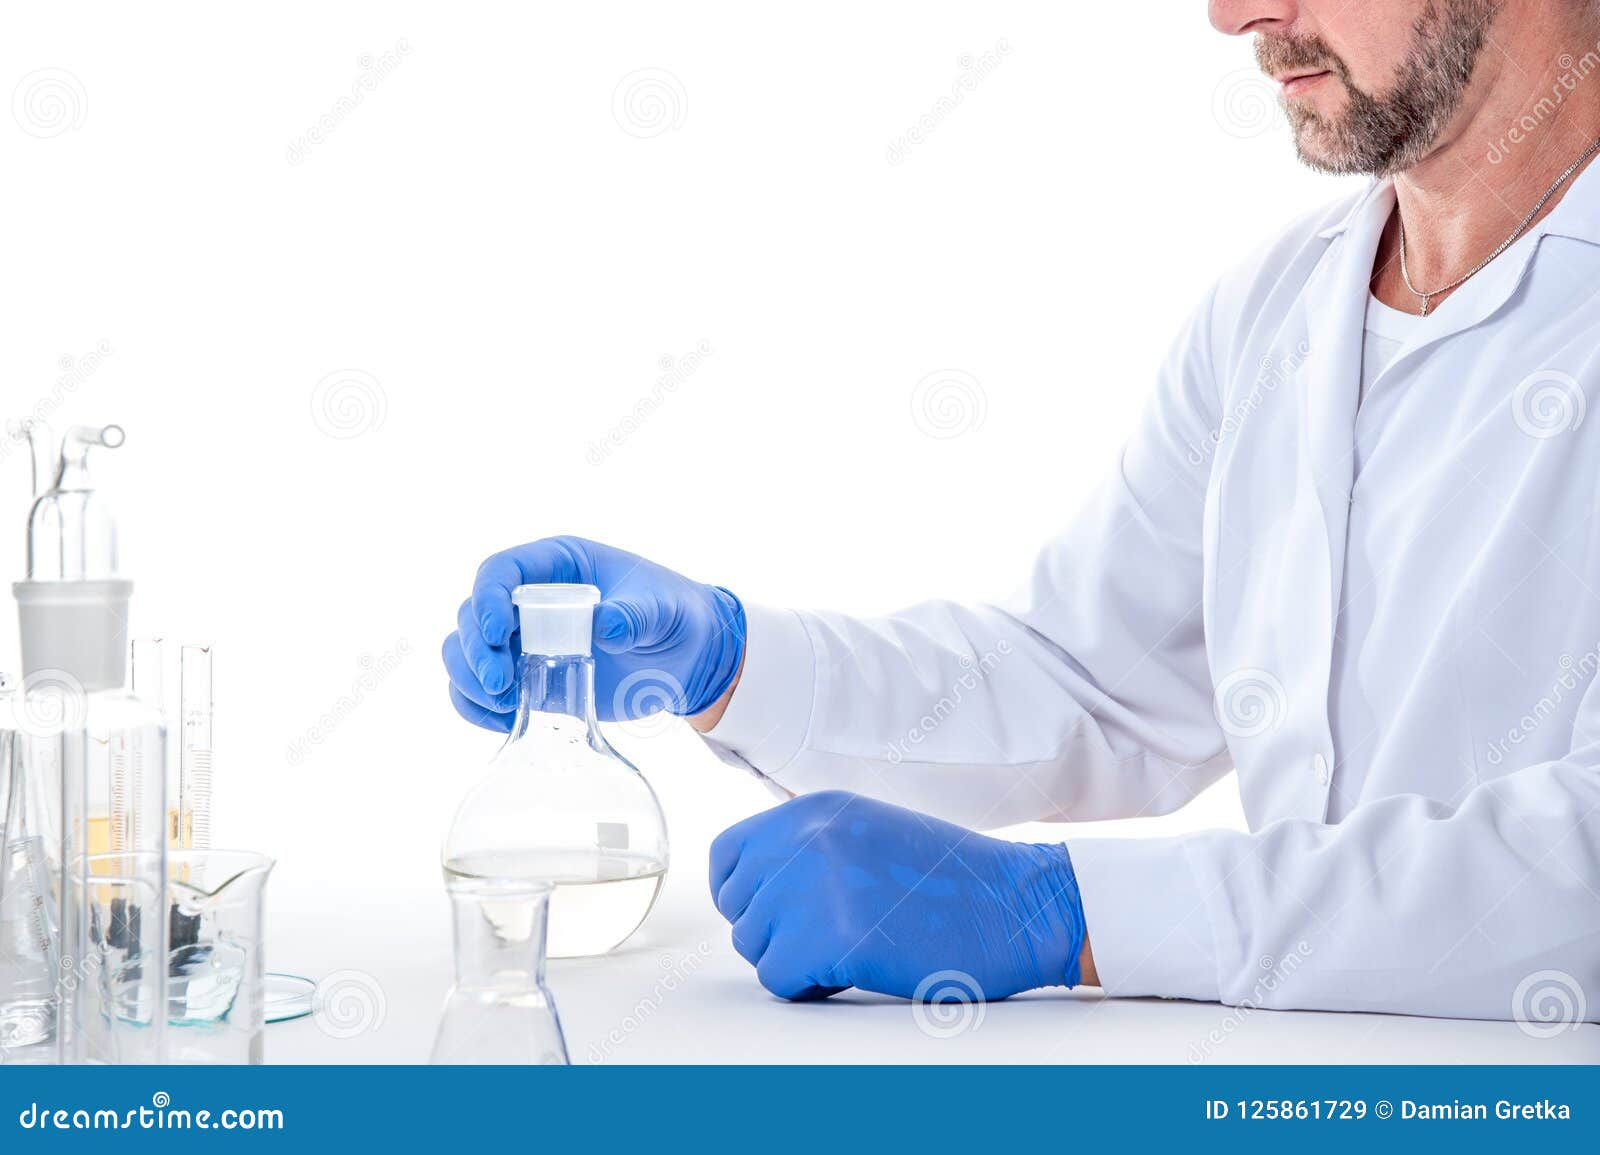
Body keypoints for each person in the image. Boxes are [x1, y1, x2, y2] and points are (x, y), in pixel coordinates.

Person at [444, 0, 1600, 1020]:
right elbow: (1094, 684)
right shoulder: (1279, 310)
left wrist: (1069, 912)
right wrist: (731, 662)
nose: (1232, 13)